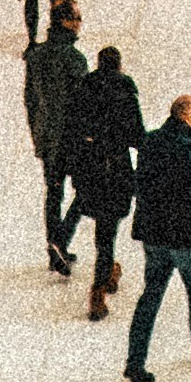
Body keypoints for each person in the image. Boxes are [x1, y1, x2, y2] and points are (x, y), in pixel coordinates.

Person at [122, 96, 191, 380]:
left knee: (150, 297)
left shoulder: (150, 141)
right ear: (186, 116)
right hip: (184, 237)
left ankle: (135, 361)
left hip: (154, 235)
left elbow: (140, 184)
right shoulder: (188, 148)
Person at [64, 41, 144, 316]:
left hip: (90, 167)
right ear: (119, 66)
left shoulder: (83, 90)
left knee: (102, 232)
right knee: (108, 231)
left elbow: (71, 130)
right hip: (116, 168)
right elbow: (137, 135)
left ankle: (106, 274)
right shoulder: (125, 92)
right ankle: (99, 289)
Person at [25, 0, 88, 265]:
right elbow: (83, 102)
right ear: (65, 21)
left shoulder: (36, 55)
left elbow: (30, 99)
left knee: (53, 191)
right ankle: (60, 240)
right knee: (86, 188)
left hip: (46, 133)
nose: (79, 23)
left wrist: (36, 130)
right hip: (70, 135)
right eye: (76, 18)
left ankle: (54, 247)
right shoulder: (75, 59)